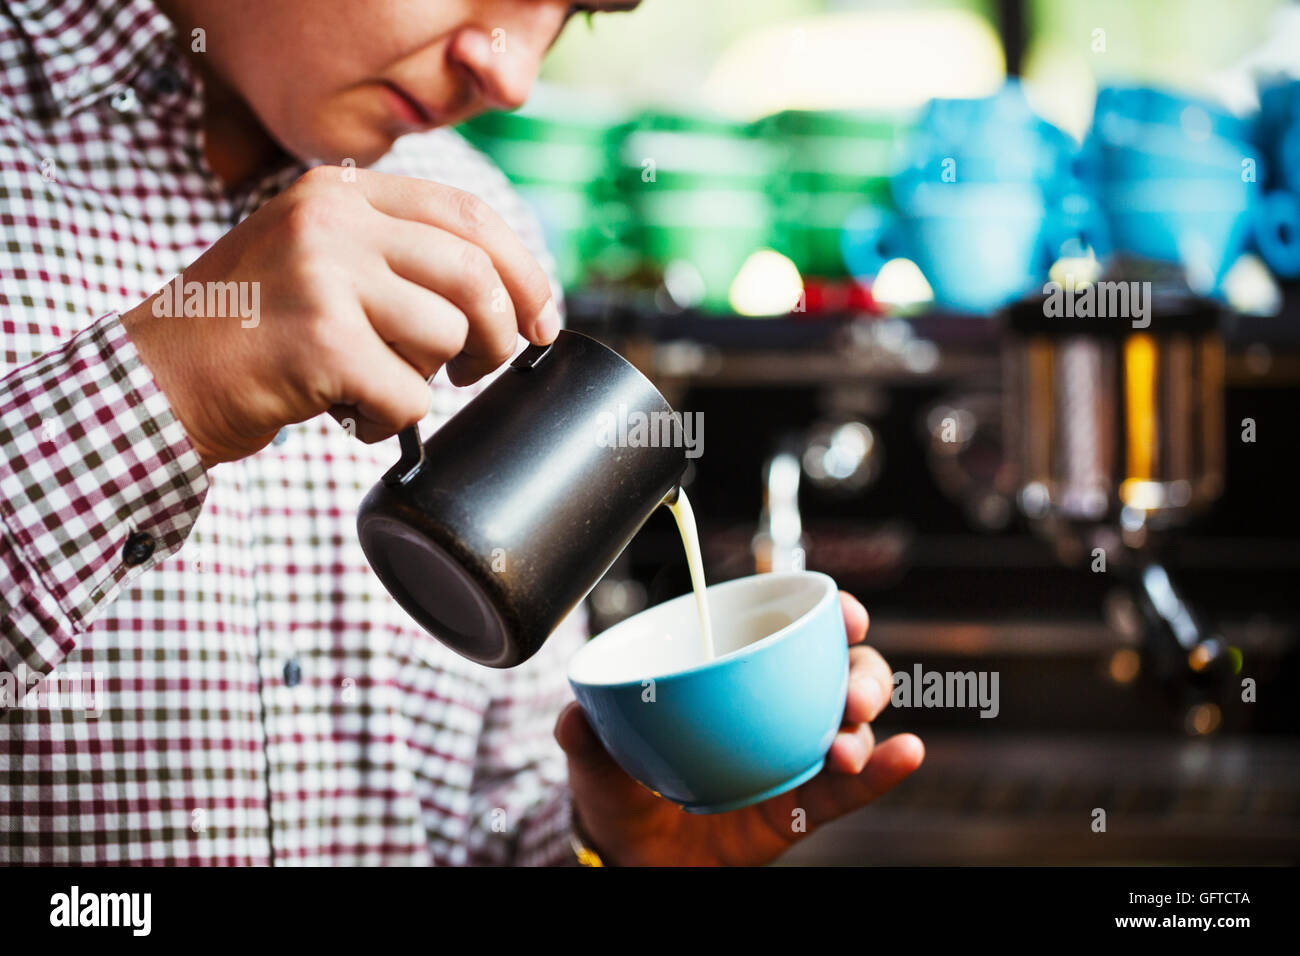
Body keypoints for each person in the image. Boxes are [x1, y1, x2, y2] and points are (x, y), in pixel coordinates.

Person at [0, 0, 923, 866]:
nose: (513, 75)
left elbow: (491, 800)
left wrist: (611, 839)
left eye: (571, 16)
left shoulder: (477, 229)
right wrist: (171, 385)